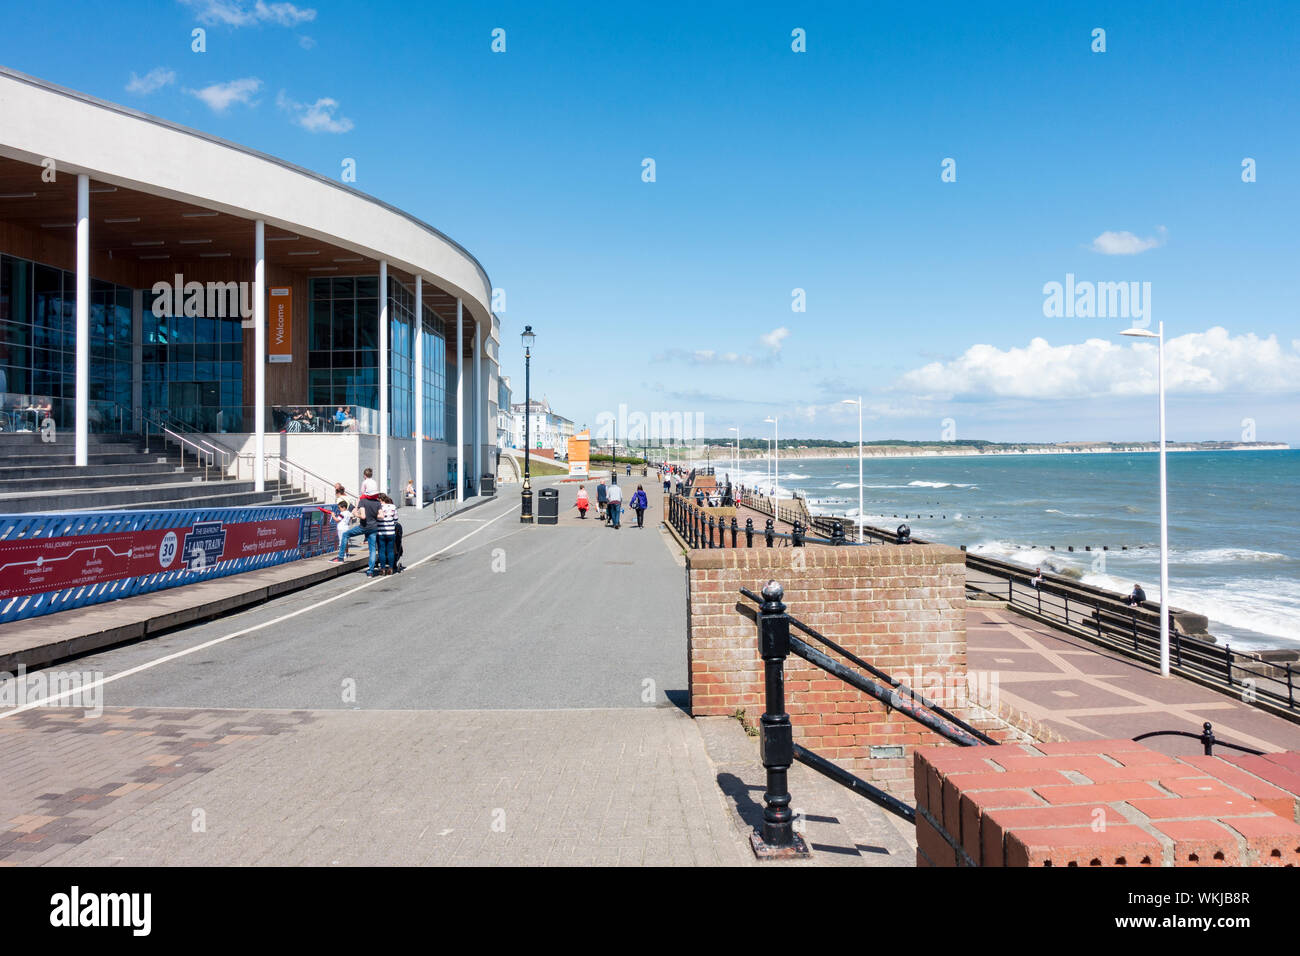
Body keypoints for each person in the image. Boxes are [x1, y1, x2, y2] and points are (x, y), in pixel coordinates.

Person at [376, 493, 398, 576]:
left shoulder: (378, 507)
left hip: (381, 532)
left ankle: (382, 569)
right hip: (391, 532)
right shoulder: (393, 507)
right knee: (390, 550)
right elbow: (396, 519)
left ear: (380, 500)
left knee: (381, 550)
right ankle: (391, 569)